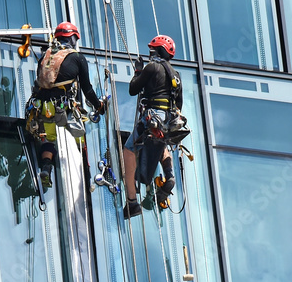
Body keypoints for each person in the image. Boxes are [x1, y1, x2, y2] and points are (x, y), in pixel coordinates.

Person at [29, 21, 105, 189]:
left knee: (49, 139)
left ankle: (46, 168)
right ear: (72, 38)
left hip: (43, 107)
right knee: (80, 136)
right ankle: (87, 175)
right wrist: (99, 105)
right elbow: (87, 89)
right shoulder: (77, 57)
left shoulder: (45, 56)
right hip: (63, 108)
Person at [122, 34, 182, 218]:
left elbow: (133, 89)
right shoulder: (176, 75)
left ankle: (132, 202)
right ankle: (169, 176)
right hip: (168, 119)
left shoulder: (152, 67)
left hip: (153, 116)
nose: (150, 54)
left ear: (158, 51)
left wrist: (139, 72)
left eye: (152, 50)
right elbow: (179, 105)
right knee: (162, 143)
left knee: (129, 149)